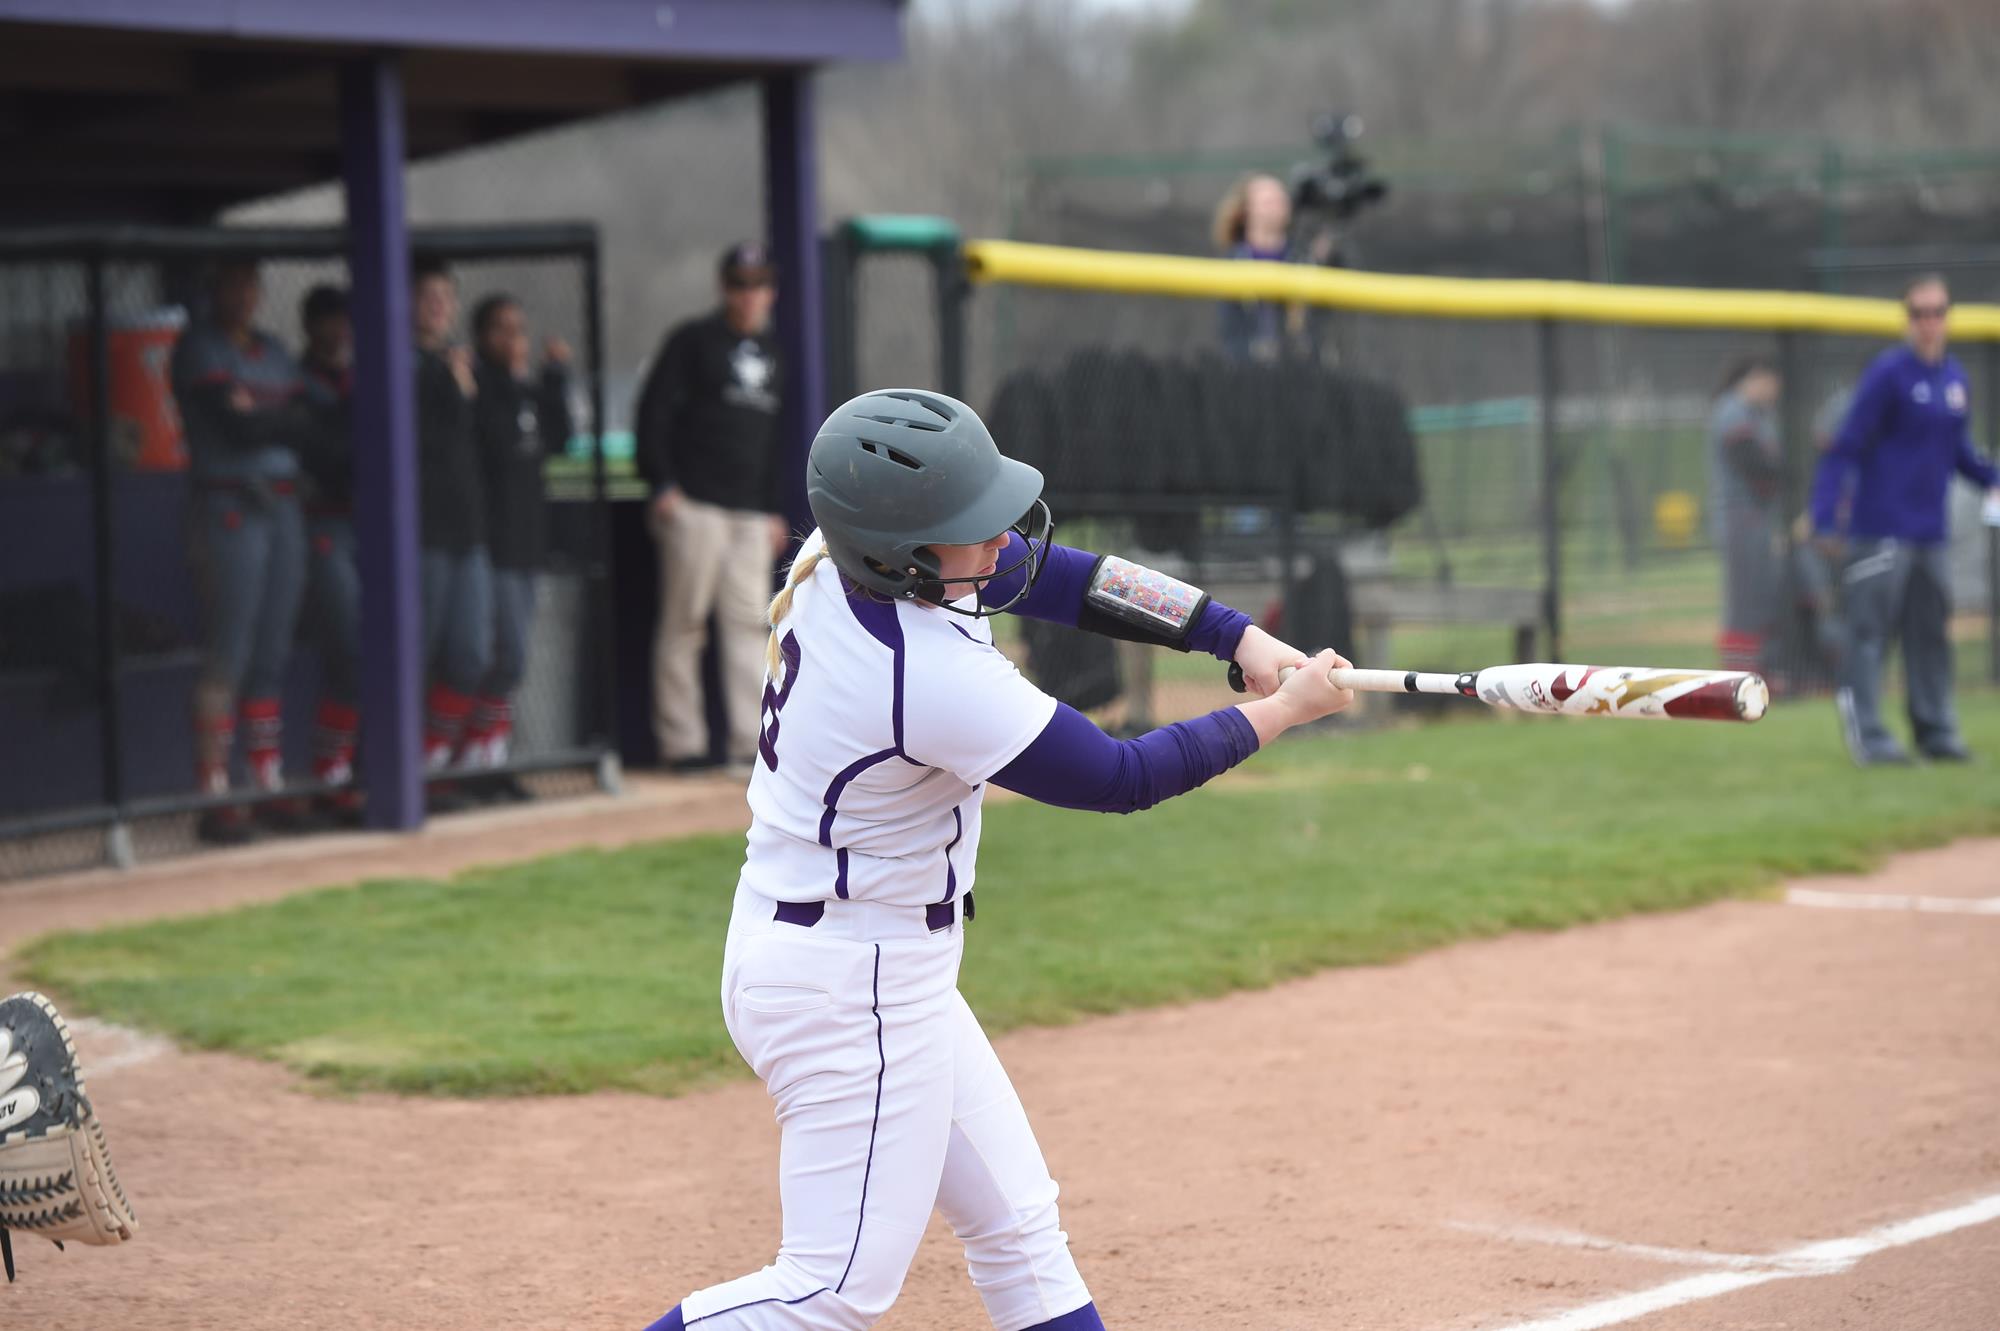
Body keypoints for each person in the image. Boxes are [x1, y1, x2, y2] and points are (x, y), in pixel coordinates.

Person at [643, 388, 1354, 1331]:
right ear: (900, 552)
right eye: (967, 530)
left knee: (1020, 1228)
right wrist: (1280, 712)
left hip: (852, 953)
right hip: (851, 983)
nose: (997, 543)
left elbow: (1064, 575)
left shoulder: (841, 557)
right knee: (831, 1291)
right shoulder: (926, 674)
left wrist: (1236, 634)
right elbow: (1119, 774)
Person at [1810, 273, 2000, 765]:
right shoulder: (1888, 374)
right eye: (1919, 313)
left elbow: (1959, 450)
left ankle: (1936, 733)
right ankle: (1869, 737)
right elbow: (1846, 446)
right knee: (1870, 634)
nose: (1929, 322)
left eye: (1937, 312)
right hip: (1880, 530)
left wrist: (1990, 476)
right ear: (1907, 319)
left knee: (1931, 636)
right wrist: (1826, 515)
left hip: (1929, 533)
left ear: (1948, 317)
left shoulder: (1955, 379)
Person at [634, 241, 789, 773]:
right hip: (695, 505)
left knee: (749, 625)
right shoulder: (693, 342)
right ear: (725, 289)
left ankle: (749, 743)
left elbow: (776, 440)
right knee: (685, 623)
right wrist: (663, 485)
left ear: (771, 292)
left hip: (748, 511)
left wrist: (772, 508)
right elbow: (653, 413)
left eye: (760, 285)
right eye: (741, 285)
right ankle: (682, 745)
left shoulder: (774, 352)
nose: (751, 296)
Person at [169, 258, 309, 844]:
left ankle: (265, 782)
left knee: (272, 648)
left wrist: (267, 413)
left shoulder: (273, 348)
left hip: (281, 504)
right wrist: (271, 417)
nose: (244, 292)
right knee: (229, 648)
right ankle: (215, 793)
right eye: (232, 281)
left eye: (251, 282)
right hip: (227, 504)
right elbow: (235, 425)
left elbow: (305, 421)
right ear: (213, 287)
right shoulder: (198, 346)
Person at [465, 292, 573, 801]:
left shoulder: (525, 392)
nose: (514, 340)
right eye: (502, 330)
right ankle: (469, 761)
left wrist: (554, 377)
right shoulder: (479, 391)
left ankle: (492, 760)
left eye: (519, 330)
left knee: (515, 658)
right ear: (482, 337)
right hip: (492, 545)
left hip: (528, 544)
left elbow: (559, 438)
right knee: (498, 656)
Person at [411, 258, 493, 803]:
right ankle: (405, 772)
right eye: (426, 295)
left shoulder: (461, 366)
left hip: (468, 532)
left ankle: (434, 763)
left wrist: (463, 385)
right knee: (419, 654)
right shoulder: (403, 364)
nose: (437, 305)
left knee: (470, 654)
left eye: (445, 295)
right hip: (418, 535)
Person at [295, 283, 363, 824]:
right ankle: (329, 777)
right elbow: (322, 450)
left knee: (380, 653)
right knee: (348, 652)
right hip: (322, 527)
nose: (339, 331)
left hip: (371, 528)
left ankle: (351, 772)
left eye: (345, 321)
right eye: (329, 321)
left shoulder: (366, 374)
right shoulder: (300, 382)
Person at [1706, 357, 1783, 674]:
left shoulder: (1756, 414)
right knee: (1744, 601)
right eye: (1771, 382)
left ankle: (1755, 671)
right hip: (1740, 516)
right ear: (1756, 377)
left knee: (1759, 596)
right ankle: (1738, 675)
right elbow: (1752, 464)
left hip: (1754, 517)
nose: (1775, 391)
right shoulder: (1733, 410)